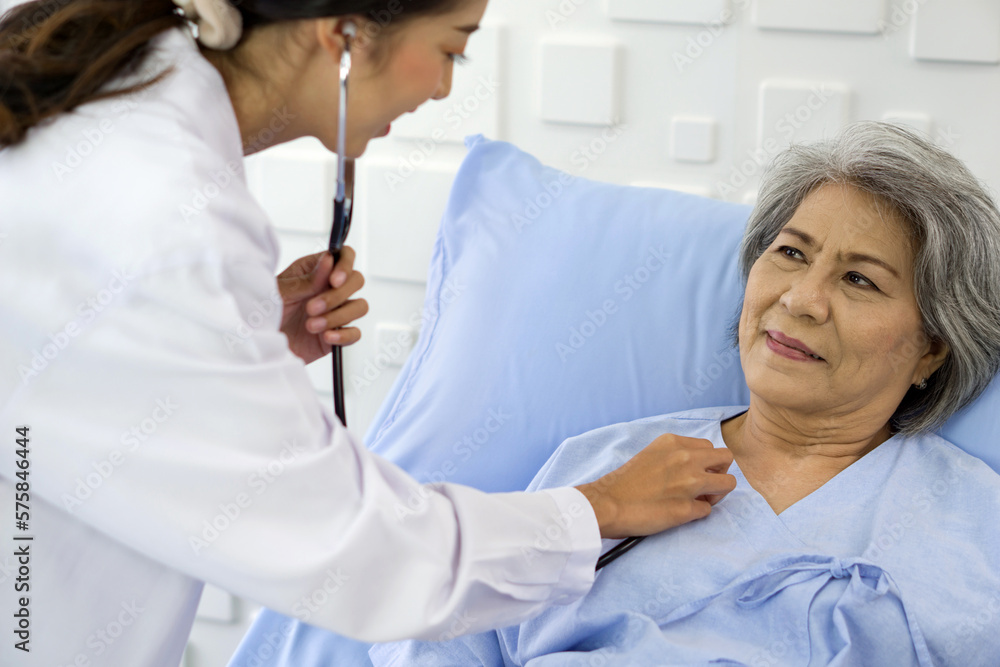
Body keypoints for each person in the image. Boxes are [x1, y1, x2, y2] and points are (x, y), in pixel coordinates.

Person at [0, 1, 739, 665]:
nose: (445, 88)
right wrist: (599, 506)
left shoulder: (114, 119)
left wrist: (237, 333)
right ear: (344, 35)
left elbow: (79, 381)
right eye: (453, 48)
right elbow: (352, 550)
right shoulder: (171, 215)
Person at [368, 121, 1000, 665]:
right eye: (789, 252)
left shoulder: (975, 524)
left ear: (932, 348)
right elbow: (441, 633)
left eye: (859, 279)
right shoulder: (603, 464)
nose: (801, 299)